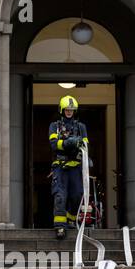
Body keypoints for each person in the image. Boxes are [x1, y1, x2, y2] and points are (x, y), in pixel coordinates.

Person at [48, 95, 89, 239]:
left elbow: (85, 145)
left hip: (76, 167)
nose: (69, 111)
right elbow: (53, 144)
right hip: (60, 167)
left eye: (72, 109)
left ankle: (71, 219)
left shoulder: (81, 127)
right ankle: (60, 226)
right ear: (62, 110)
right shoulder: (55, 126)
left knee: (77, 195)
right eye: (67, 109)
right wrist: (66, 143)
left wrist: (83, 152)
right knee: (60, 196)